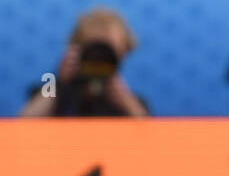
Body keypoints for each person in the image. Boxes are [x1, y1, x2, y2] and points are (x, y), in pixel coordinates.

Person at [20, 8, 150, 118]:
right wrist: (59, 82)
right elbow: (24, 123)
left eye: (107, 52)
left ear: (123, 54)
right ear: (77, 50)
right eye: (94, 50)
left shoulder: (129, 101)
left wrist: (126, 101)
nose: (99, 59)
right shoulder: (53, 92)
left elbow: (150, 132)